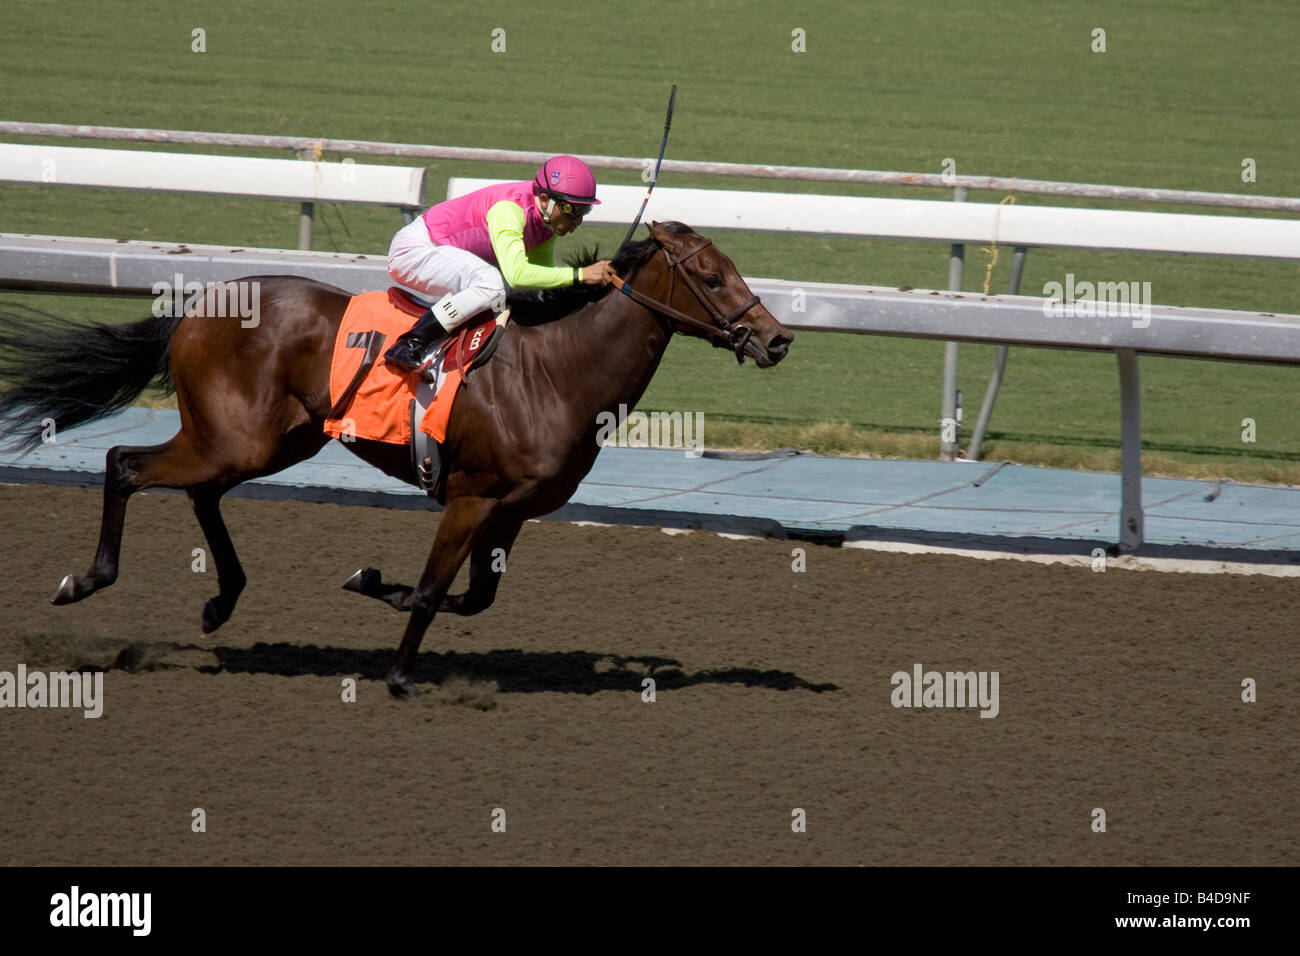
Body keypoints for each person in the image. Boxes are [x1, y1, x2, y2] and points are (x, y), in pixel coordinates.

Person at [383, 154, 618, 372]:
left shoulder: (547, 226)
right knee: (491, 283)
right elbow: (517, 275)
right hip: (416, 249)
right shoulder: (509, 210)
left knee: (521, 294)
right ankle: (411, 343)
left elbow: (539, 278)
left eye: (583, 210)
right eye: (571, 209)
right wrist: (580, 274)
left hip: (445, 252)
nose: (577, 219)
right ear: (545, 200)